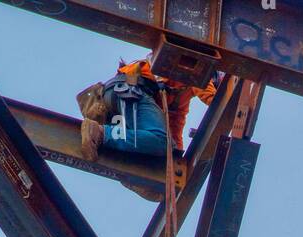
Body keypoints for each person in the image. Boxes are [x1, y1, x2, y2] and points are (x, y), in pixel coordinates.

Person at [79, 56, 216, 163]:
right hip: (131, 92)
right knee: (162, 142)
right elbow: (214, 98)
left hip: (115, 95)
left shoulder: (180, 96)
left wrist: (176, 158)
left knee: (149, 144)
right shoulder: (197, 71)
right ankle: (101, 133)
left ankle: (104, 138)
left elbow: (175, 124)